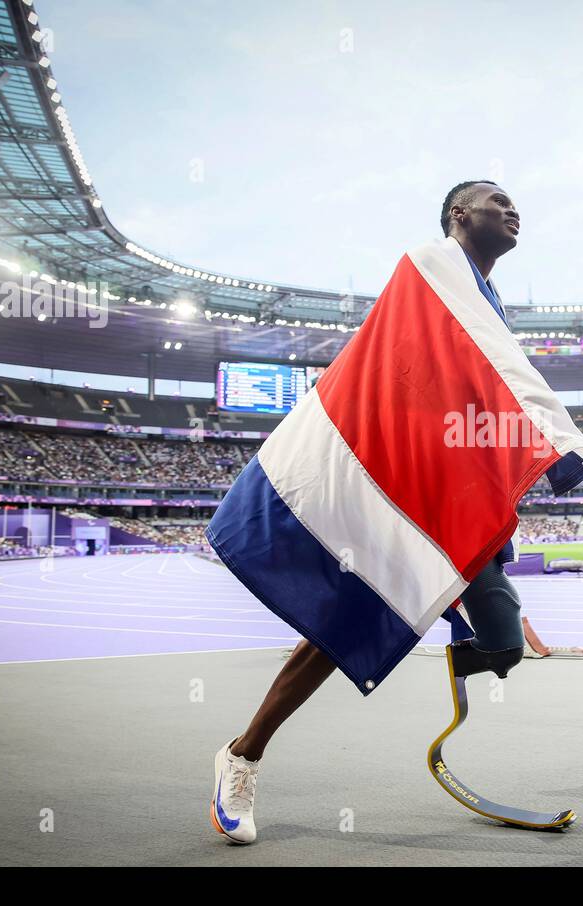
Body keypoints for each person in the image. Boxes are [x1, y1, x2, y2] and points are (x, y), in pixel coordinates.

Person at [210, 181, 534, 845]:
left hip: (451, 502)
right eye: (494, 198)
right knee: (341, 626)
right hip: (391, 486)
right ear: (458, 215)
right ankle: (242, 755)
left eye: (514, 200)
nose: (511, 207)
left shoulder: (489, 305)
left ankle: (436, 607)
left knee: (503, 644)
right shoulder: (431, 266)